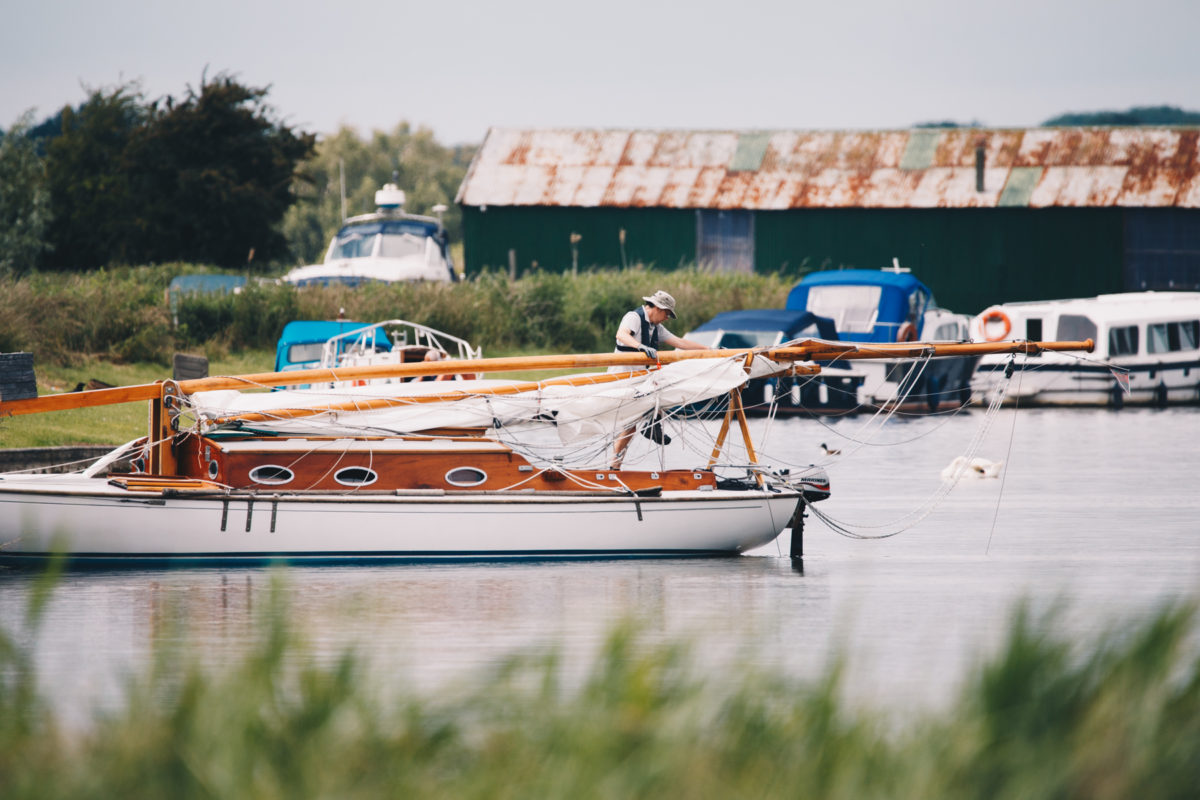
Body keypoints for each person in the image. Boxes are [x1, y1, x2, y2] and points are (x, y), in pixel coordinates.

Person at [609, 290, 708, 468]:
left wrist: (710, 351)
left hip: (638, 381)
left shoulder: (656, 328)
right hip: (621, 379)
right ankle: (614, 466)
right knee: (630, 426)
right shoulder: (633, 317)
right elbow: (622, 335)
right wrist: (640, 346)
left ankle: (652, 426)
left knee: (662, 390)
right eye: (667, 313)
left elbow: (681, 343)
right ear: (658, 308)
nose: (667, 318)